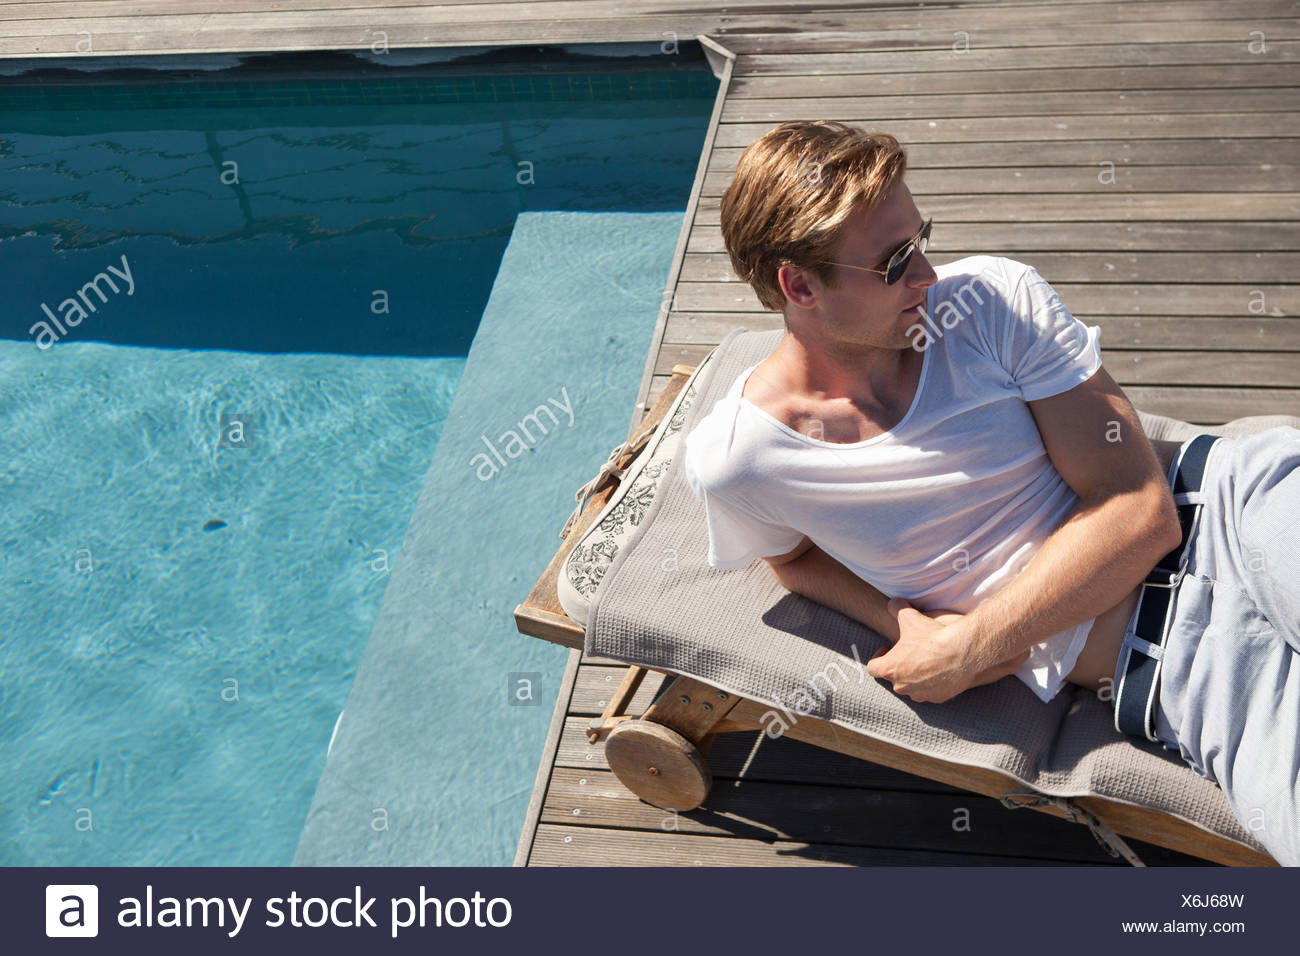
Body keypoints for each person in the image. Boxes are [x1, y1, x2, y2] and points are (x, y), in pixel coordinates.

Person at [682, 120, 1300, 865]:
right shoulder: (741, 461)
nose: (929, 277)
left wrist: (973, 646)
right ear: (799, 284)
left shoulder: (992, 304)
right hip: (1182, 668)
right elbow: (792, 558)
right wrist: (900, 621)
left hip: (1232, 509)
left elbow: (1140, 510)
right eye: (895, 261)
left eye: (923, 238)